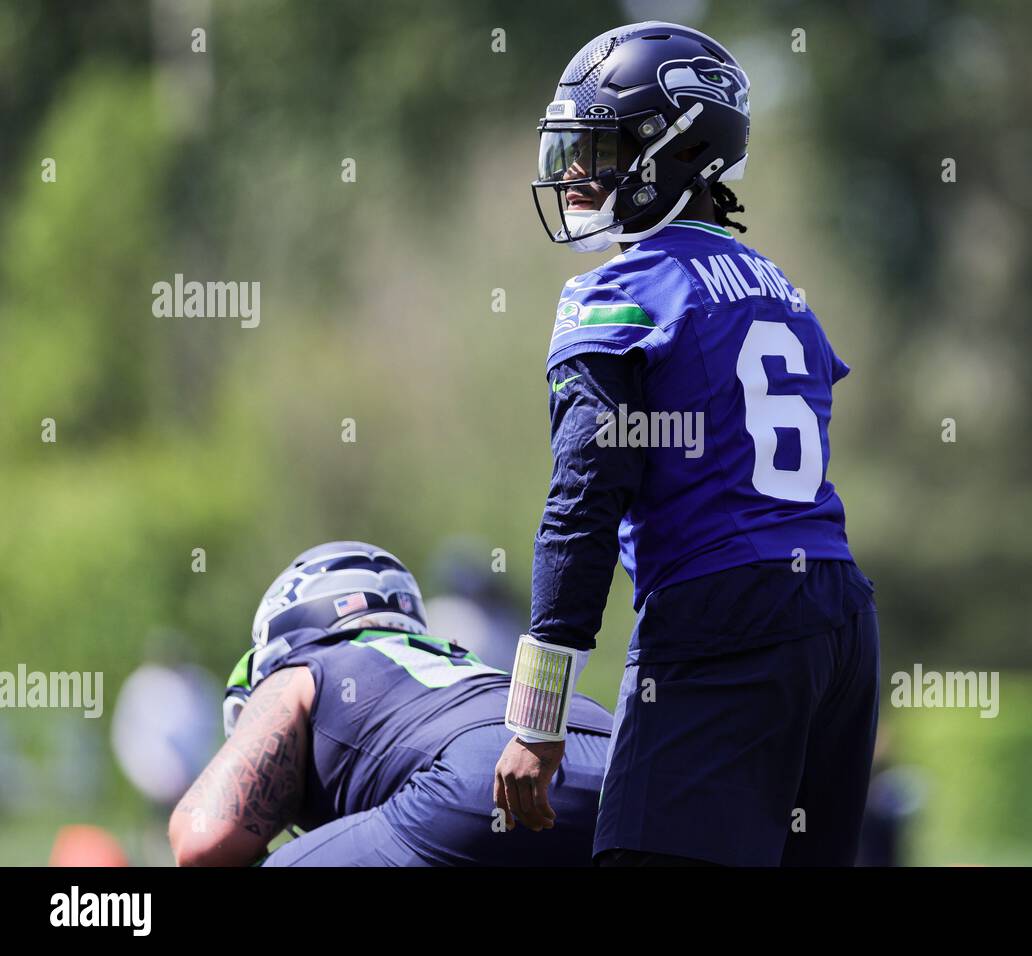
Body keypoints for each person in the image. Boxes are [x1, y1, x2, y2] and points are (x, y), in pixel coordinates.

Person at [494, 22, 880, 866]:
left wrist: (536, 716)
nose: (574, 173)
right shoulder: (782, 291)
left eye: (596, 147)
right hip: (843, 616)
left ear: (674, 149)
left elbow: (582, 504)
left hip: (723, 615)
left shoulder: (623, 293)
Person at [168, 541, 611, 866]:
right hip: (613, 762)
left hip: (476, 777)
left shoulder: (300, 667)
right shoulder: (456, 659)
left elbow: (202, 842)